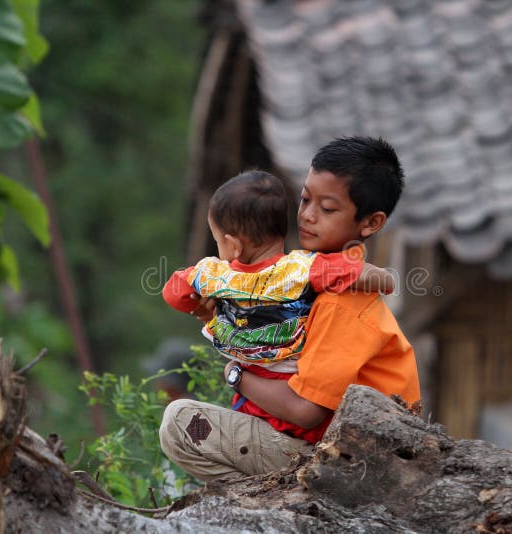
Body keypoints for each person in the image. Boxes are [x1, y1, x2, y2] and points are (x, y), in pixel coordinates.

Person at [159, 137, 420, 481]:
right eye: (305, 199)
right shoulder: (302, 276)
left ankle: (256, 501)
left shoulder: (342, 301)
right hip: (326, 447)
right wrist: (215, 317)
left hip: (351, 465)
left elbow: (304, 411)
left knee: (179, 422)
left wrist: (235, 374)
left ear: (370, 223)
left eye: (327, 209)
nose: (307, 216)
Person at [162, 169, 394, 375]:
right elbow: (360, 273)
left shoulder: (214, 275)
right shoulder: (302, 268)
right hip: (288, 369)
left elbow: (173, 292)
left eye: (217, 241)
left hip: (242, 361)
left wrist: (201, 304)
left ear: (233, 245)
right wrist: (386, 280)